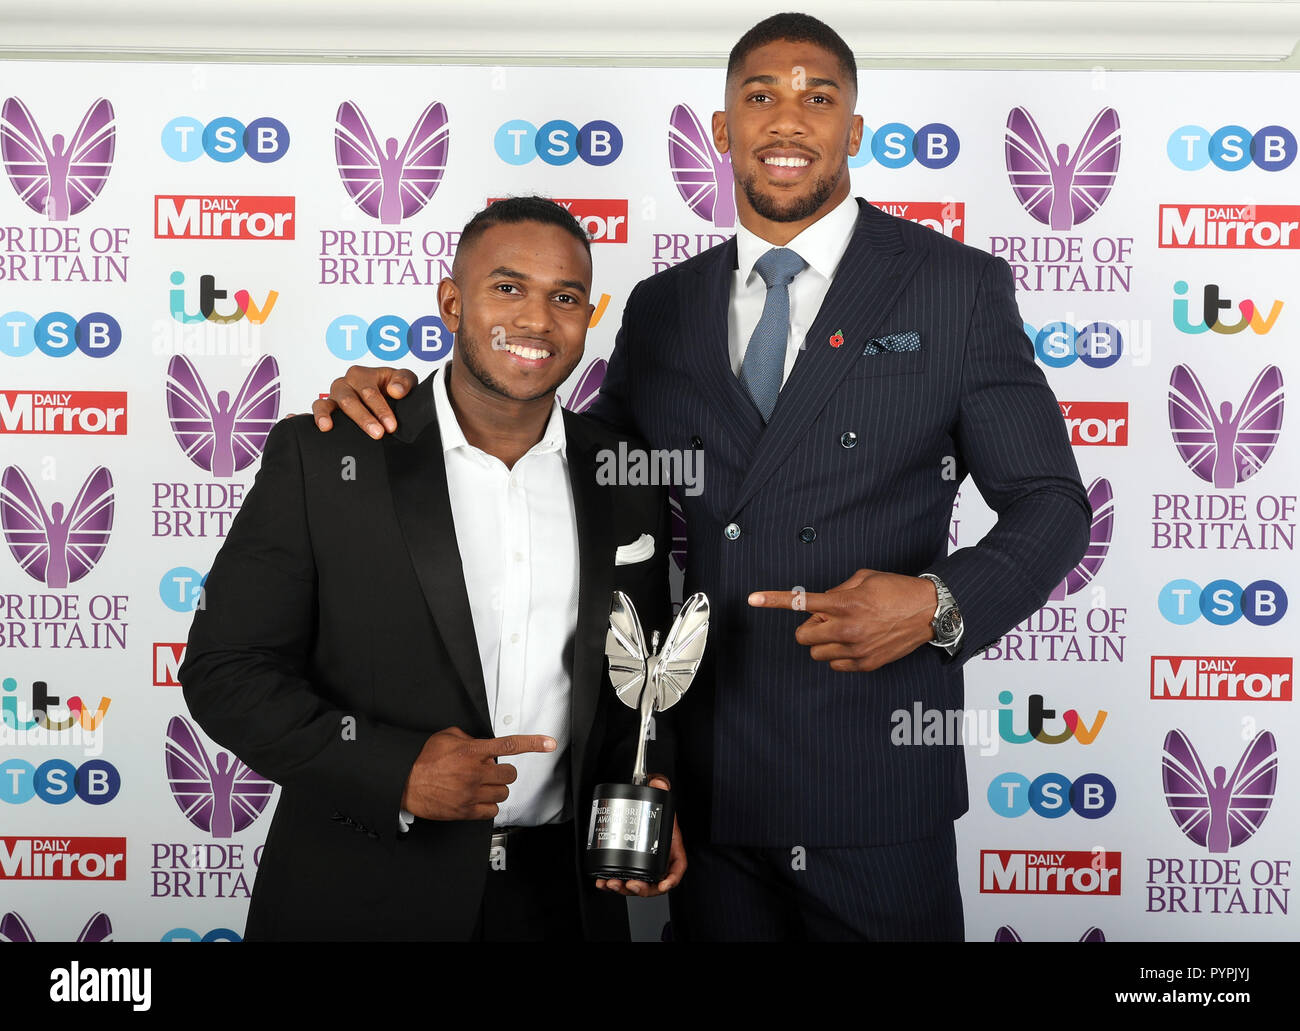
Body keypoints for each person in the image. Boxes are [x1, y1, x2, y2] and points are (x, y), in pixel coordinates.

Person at [313, 14, 1090, 941]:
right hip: (705, 780)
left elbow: (1050, 502)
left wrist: (937, 604)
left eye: (819, 98)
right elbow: (590, 469)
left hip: (874, 778)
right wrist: (409, 405)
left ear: (857, 129)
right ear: (722, 131)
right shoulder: (665, 305)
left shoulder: (955, 286)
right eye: (760, 97)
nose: (788, 122)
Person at [180, 196, 683, 941]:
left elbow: (638, 676)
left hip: (563, 903)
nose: (538, 320)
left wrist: (651, 778)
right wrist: (398, 772)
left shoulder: (625, 474)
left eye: (565, 297)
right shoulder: (329, 454)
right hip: (363, 894)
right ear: (453, 301)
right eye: (508, 287)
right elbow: (225, 671)